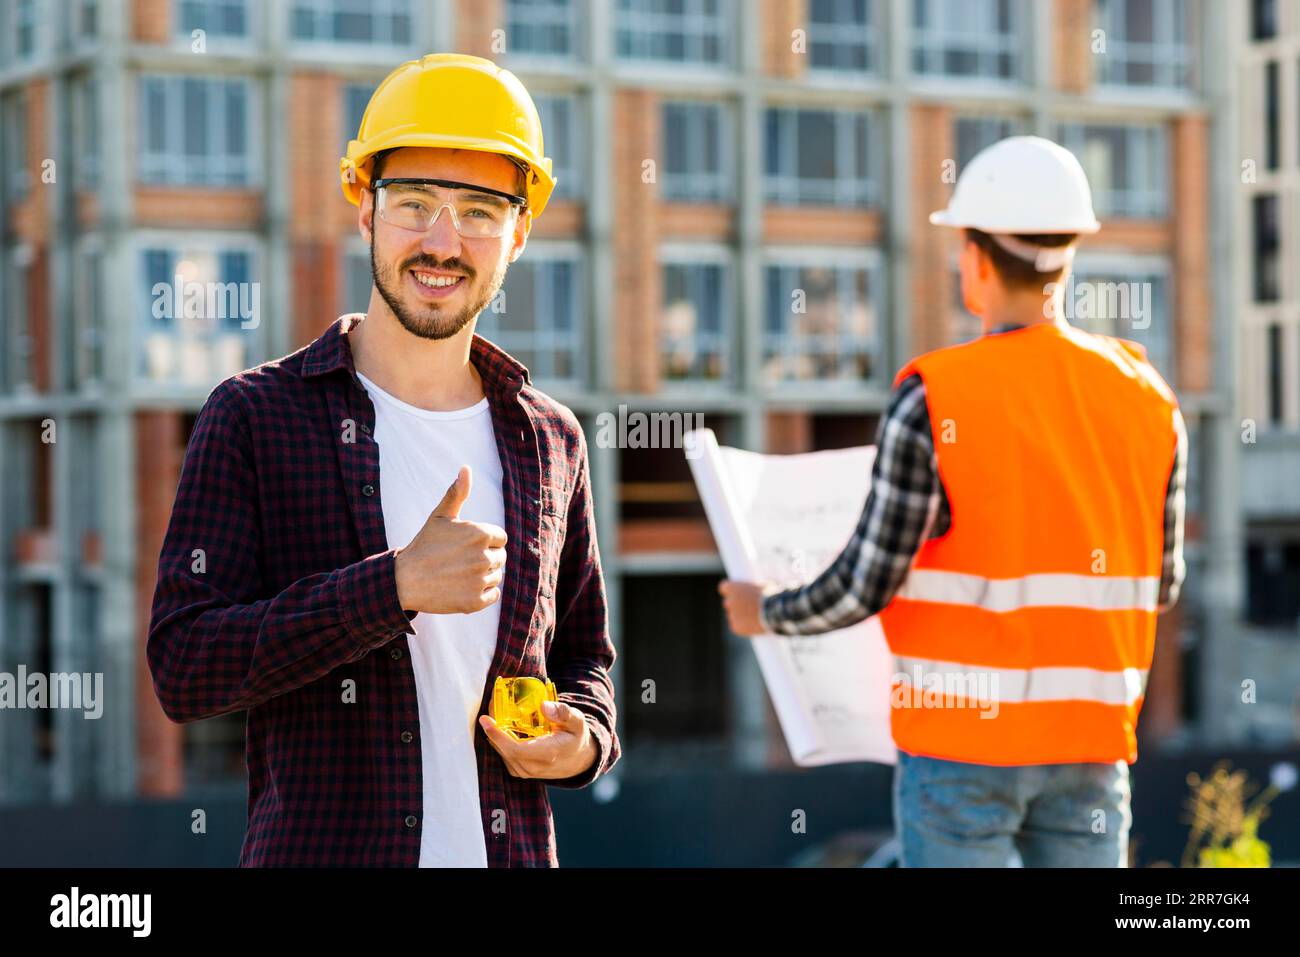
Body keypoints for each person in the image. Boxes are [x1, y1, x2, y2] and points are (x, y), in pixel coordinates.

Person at [148, 53, 619, 867]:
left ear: (520, 232)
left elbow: (586, 662)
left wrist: (582, 741)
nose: (443, 241)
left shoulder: (552, 439)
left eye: (479, 211)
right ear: (364, 210)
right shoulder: (255, 416)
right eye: (414, 204)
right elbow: (185, 666)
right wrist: (391, 587)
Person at [719, 136, 1186, 868]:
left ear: (973, 258)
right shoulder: (1148, 397)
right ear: (1069, 254)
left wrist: (765, 612)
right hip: (1092, 748)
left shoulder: (936, 396)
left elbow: (864, 583)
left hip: (961, 748)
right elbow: (1164, 585)